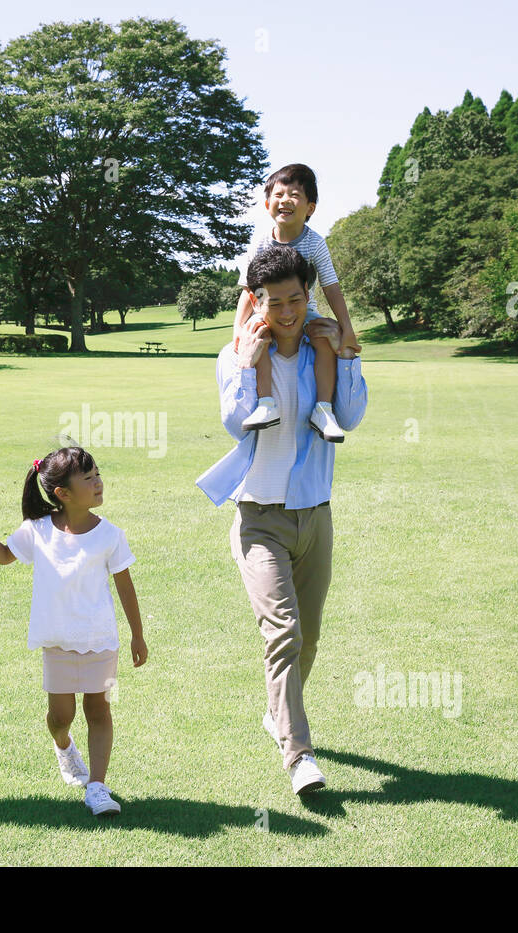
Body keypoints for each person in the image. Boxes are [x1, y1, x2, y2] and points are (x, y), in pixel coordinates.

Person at [198, 245, 368, 794]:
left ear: (308, 295)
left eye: (297, 298)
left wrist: (347, 356)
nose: (288, 311)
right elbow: (234, 422)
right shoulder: (236, 354)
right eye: (275, 301)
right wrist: (248, 364)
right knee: (284, 632)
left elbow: (352, 416)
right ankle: (299, 756)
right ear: (258, 301)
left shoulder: (323, 347)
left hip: (316, 515)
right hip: (259, 520)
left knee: (310, 637)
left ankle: (278, 712)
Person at [0, 446, 147, 817]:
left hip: (99, 641)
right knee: (61, 717)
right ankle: (64, 747)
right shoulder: (38, 531)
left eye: (98, 475)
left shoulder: (110, 535)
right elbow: (4, 555)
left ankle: (97, 787)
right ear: (62, 493)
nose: (98, 483)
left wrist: (137, 634)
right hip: (57, 642)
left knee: (99, 710)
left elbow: (126, 586)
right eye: (89, 479)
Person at [233, 163, 362, 442]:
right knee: (259, 334)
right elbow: (247, 290)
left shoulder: (315, 243)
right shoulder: (260, 244)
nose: (284, 201)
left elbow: (332, 287)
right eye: (278, 195)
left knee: (324, 337)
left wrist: (346, 327)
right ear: (267, 204)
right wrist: (238, 328)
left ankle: (323, 409)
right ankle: (266, 404)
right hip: (267, 312)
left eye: (294, 195)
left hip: (305, 311)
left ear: (310, 208)